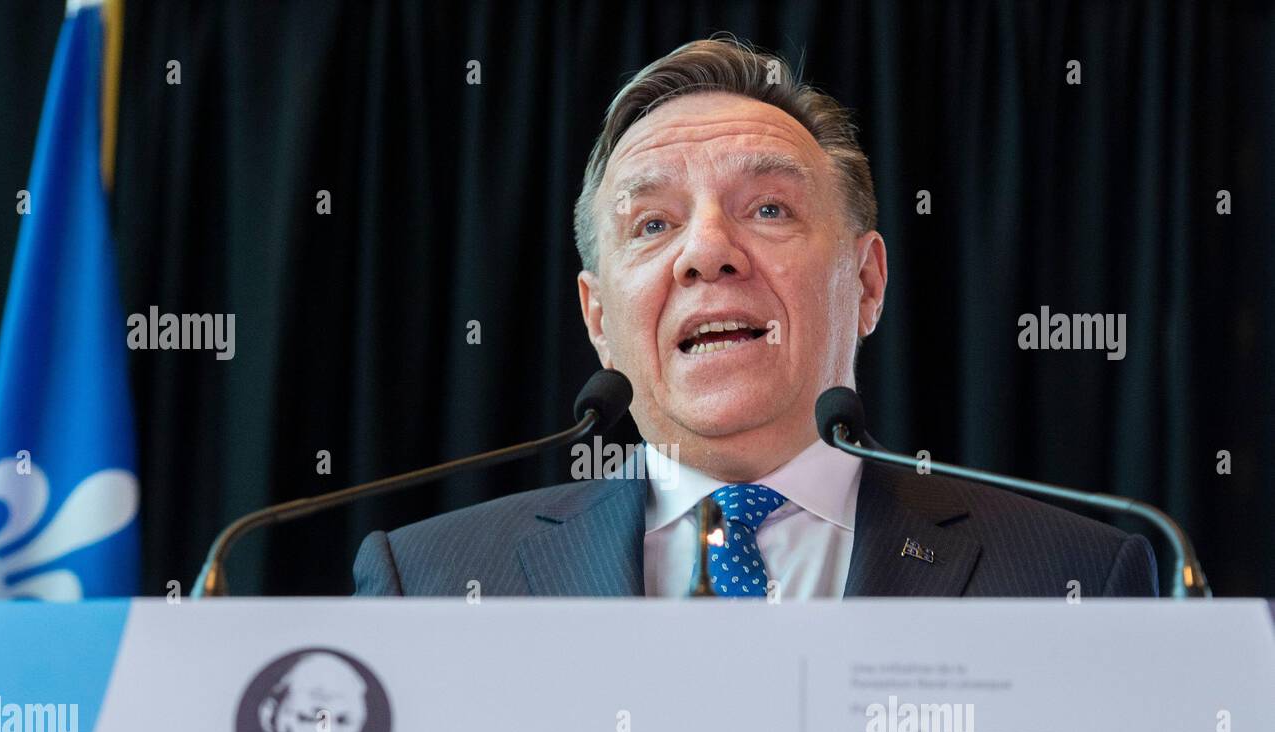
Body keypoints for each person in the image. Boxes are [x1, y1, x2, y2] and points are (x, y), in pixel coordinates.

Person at [355, 37, 1157, 599]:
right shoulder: (430, 583)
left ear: (868, 283)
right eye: (653, 225)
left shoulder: (1070, 580)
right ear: (598, 318)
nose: (708, 252)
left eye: (768, 208)